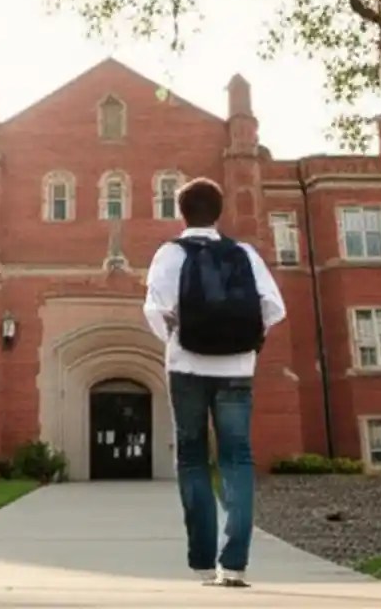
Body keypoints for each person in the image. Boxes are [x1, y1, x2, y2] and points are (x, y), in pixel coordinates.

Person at [142, 177, 287, 588]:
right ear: (220, 211)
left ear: (181, 212)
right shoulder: (244, 253)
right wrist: (247, 345)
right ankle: (236, 564)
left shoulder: (170, 254)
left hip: (186, 367)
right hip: (237, 370)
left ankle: (204, 564)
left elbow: (156, 310)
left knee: (192, 458)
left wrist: (178, 339)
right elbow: (274, 308)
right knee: (237, 459)